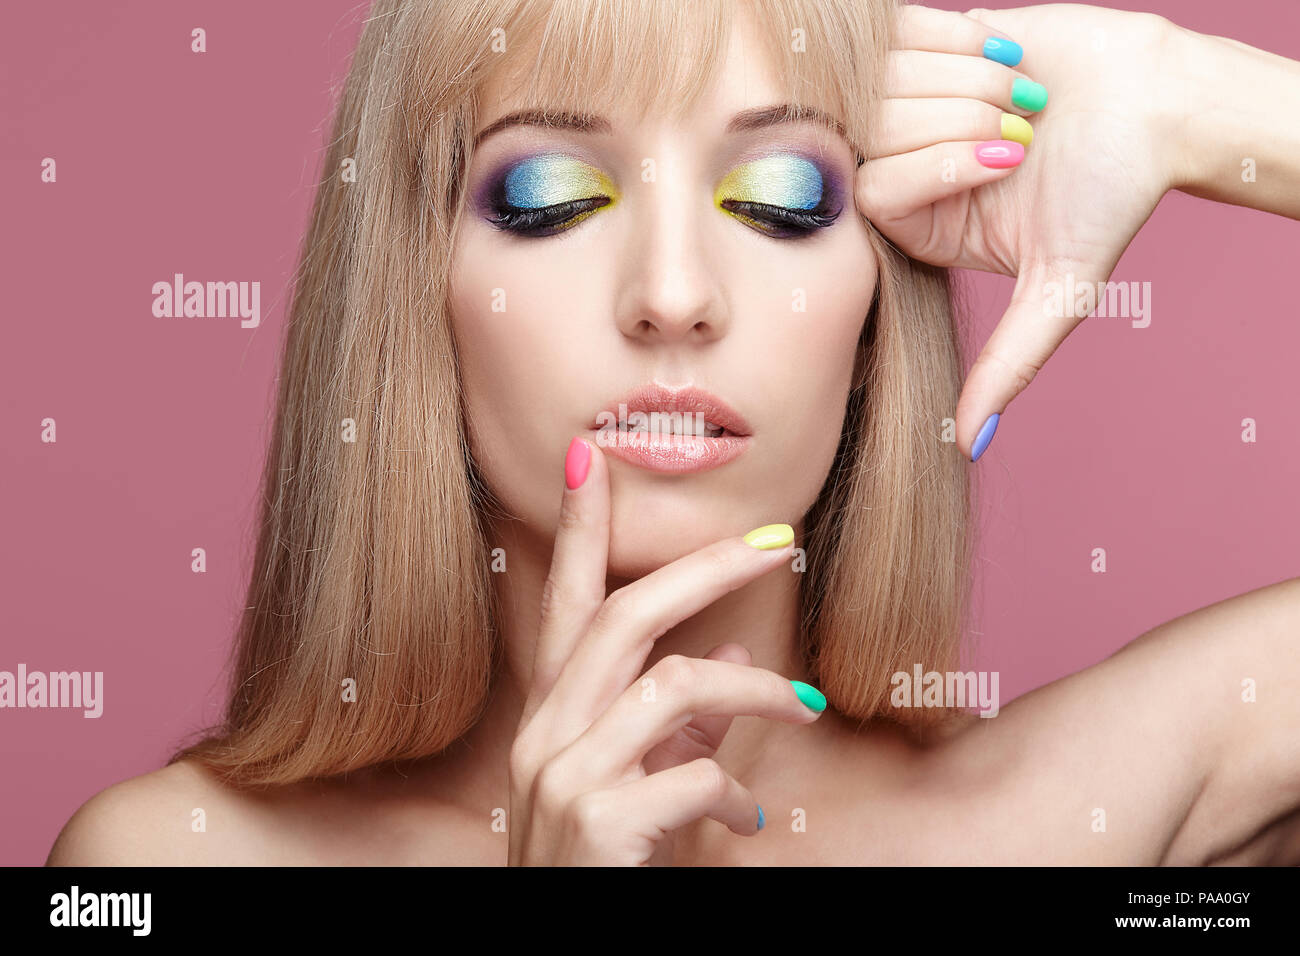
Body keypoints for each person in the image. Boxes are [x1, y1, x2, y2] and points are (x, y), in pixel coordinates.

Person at [47, 0, 1300, 865]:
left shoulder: (1097, 818)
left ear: (876, 309)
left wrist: (1197, 103)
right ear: (413, 289)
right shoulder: (161, 864)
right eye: (547, 195)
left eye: (778, 197)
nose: (672, 292)